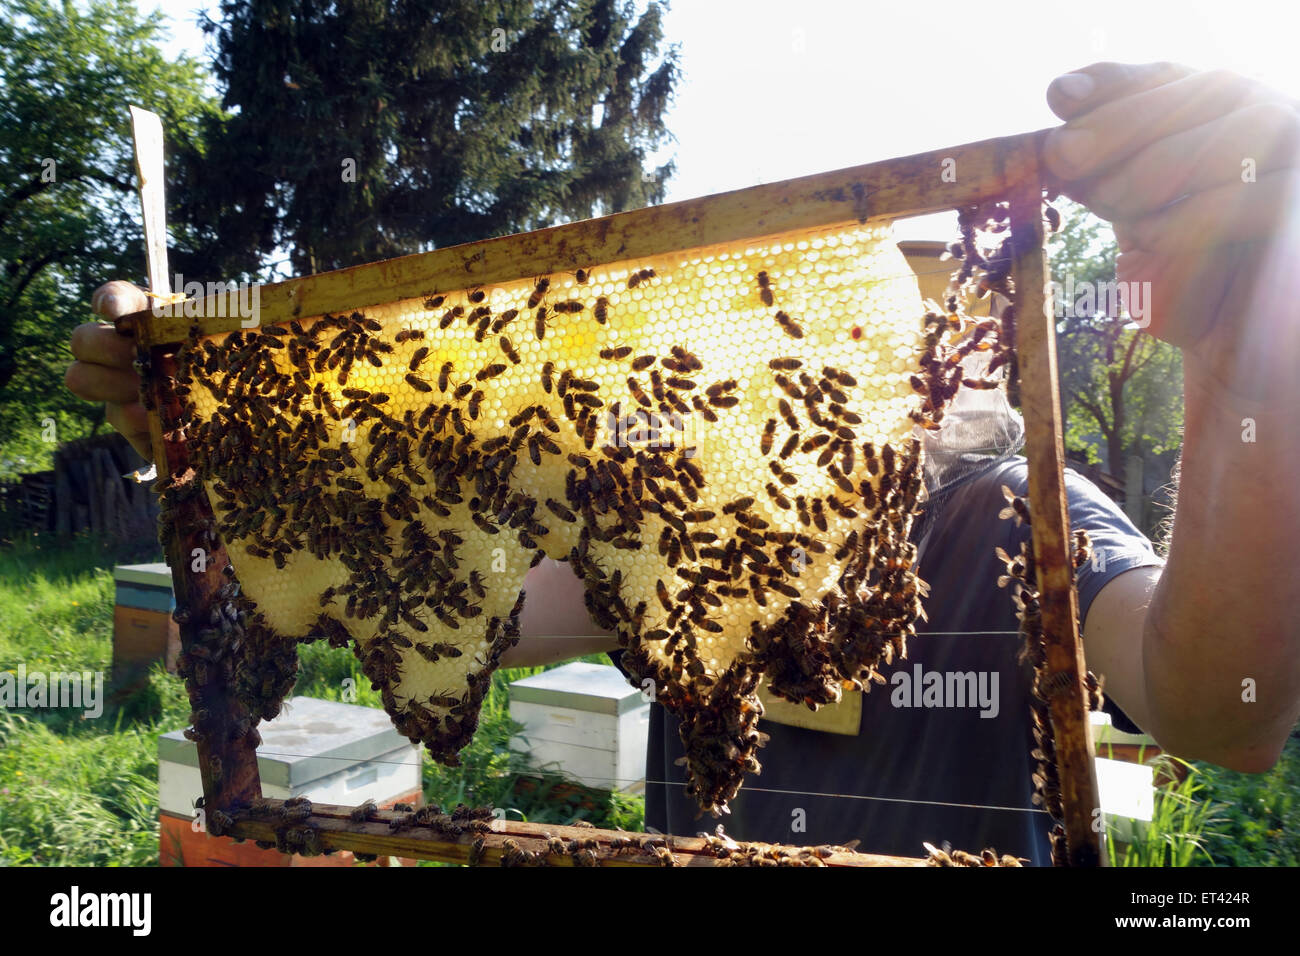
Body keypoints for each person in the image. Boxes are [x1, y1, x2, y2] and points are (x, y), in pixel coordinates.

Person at [68, 62, 1300, 862]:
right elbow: (467, 602)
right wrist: (222, 451)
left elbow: (1215, 709)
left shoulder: (1013, 515)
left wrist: (1252, 361)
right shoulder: (676, 522)